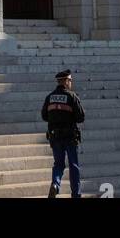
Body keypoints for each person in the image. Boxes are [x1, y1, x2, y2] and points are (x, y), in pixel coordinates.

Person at [41, 68, 84, 198]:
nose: (71, 83)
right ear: (65, 81)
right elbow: (81, 117)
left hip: (55, 137)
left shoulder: (49, 97)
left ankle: (55, 184)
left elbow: (44, 116)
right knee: (73, 165)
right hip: (70, 137)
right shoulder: (72, 97)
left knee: (58, 164)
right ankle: (76, 194)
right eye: (70, 80)